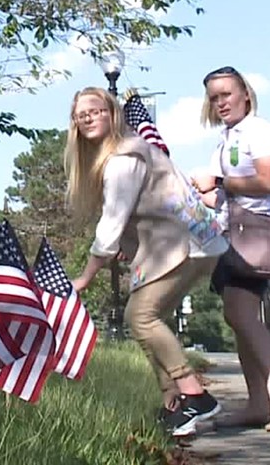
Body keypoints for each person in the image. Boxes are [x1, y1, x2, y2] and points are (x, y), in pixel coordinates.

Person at [65, 86, 223, 437]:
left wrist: (86, 276)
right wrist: (128, 242)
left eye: (96, 110)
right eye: (81, 115)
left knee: (141, 316)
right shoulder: (123, 153)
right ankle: (175, 404)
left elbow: (112, 221)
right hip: (185, 241)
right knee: (146, 321)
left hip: (186, 243)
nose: (88, 117)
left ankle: (196, 396)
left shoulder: (123, 158)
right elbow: (141, 209)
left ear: (112, 113)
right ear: (75, 125)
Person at [191, 66, 270, 431]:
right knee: (236, 317)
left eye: (226, 94)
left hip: (255, 235)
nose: (220, 102)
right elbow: (217, 196)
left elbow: (269, 180)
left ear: (245, 94)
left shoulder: (261, 131)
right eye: (214, 97)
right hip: (232, 234)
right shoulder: (226, 139)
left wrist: (222, 181)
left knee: (241, 317)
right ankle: (258, 402)